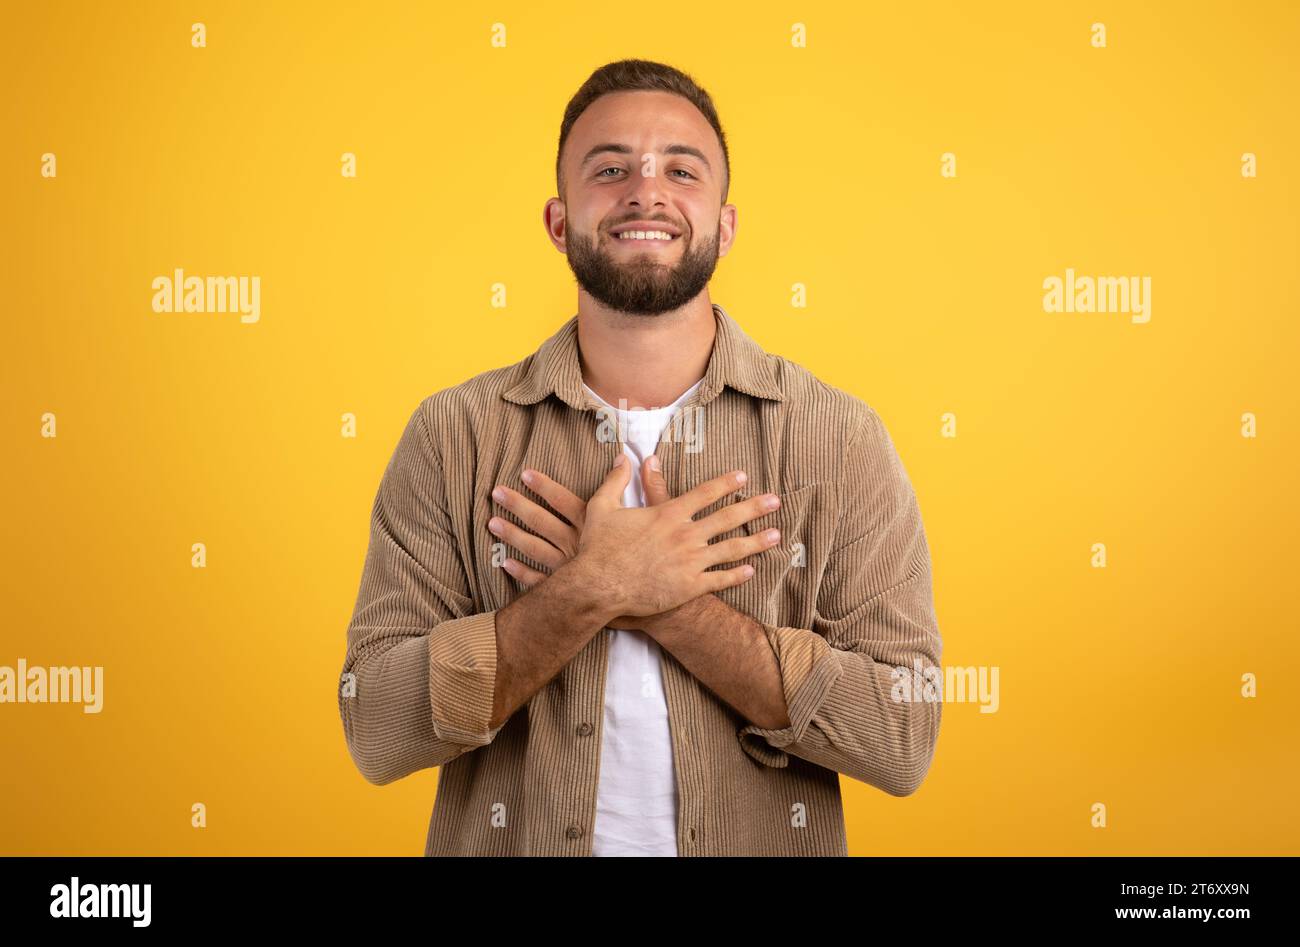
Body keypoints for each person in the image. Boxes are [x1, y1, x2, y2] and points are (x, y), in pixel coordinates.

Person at [338, 58, 942, 856]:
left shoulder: (841, 439)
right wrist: (587, 592)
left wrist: (657, 598)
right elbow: (375, 727)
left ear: (725, 225)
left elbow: (902, 733)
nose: (646, 193)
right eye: (611, 168)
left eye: (680, 170)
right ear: (559, 223)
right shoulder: (451, 434)